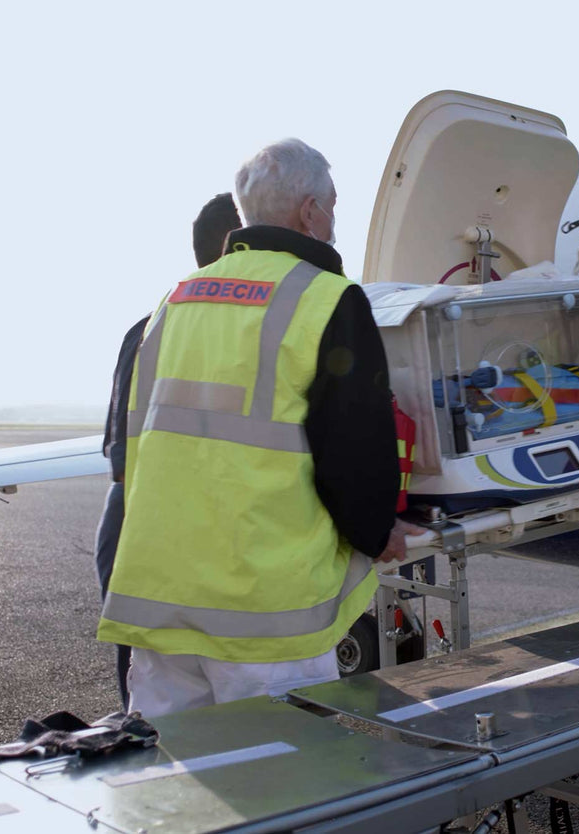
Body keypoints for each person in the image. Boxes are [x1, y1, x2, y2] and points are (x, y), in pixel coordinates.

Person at [98, 138, 420, 717]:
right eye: (332, 205)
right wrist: (378, 532)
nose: (333, 219)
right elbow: (352, 449)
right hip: (263, 615)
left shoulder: (175, 301)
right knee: (283, 785)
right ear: (309, 211)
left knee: (170, 791)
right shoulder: (326, 299)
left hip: (164, 604)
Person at [93, 193, 241, 708]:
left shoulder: (151, 325)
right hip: (196, 555)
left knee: (156, 720)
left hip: (139, 545)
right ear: (235, 245)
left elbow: (121, 463)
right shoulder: (263, 325)